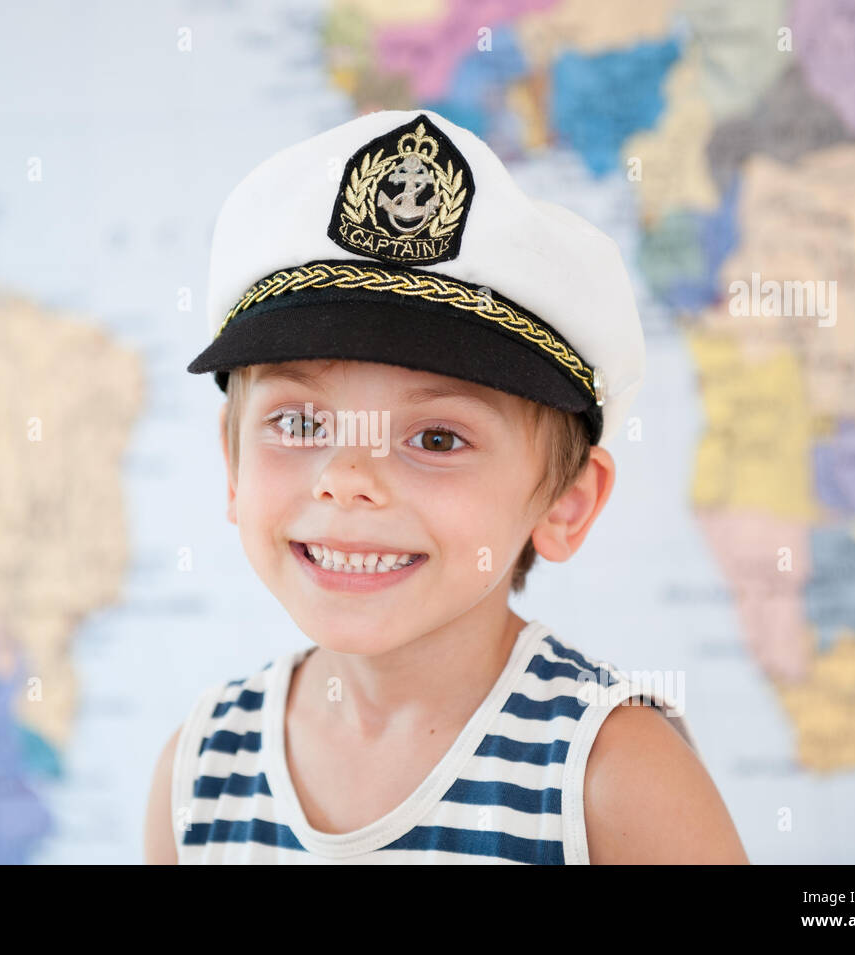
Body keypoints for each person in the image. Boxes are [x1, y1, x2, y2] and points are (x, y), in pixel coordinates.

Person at [143, 109, 748, 864]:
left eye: (435, 438)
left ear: (567, 502)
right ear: (233, 468)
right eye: (299, 424)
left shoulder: (611, 778)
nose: (347, 479)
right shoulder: (199, 778)